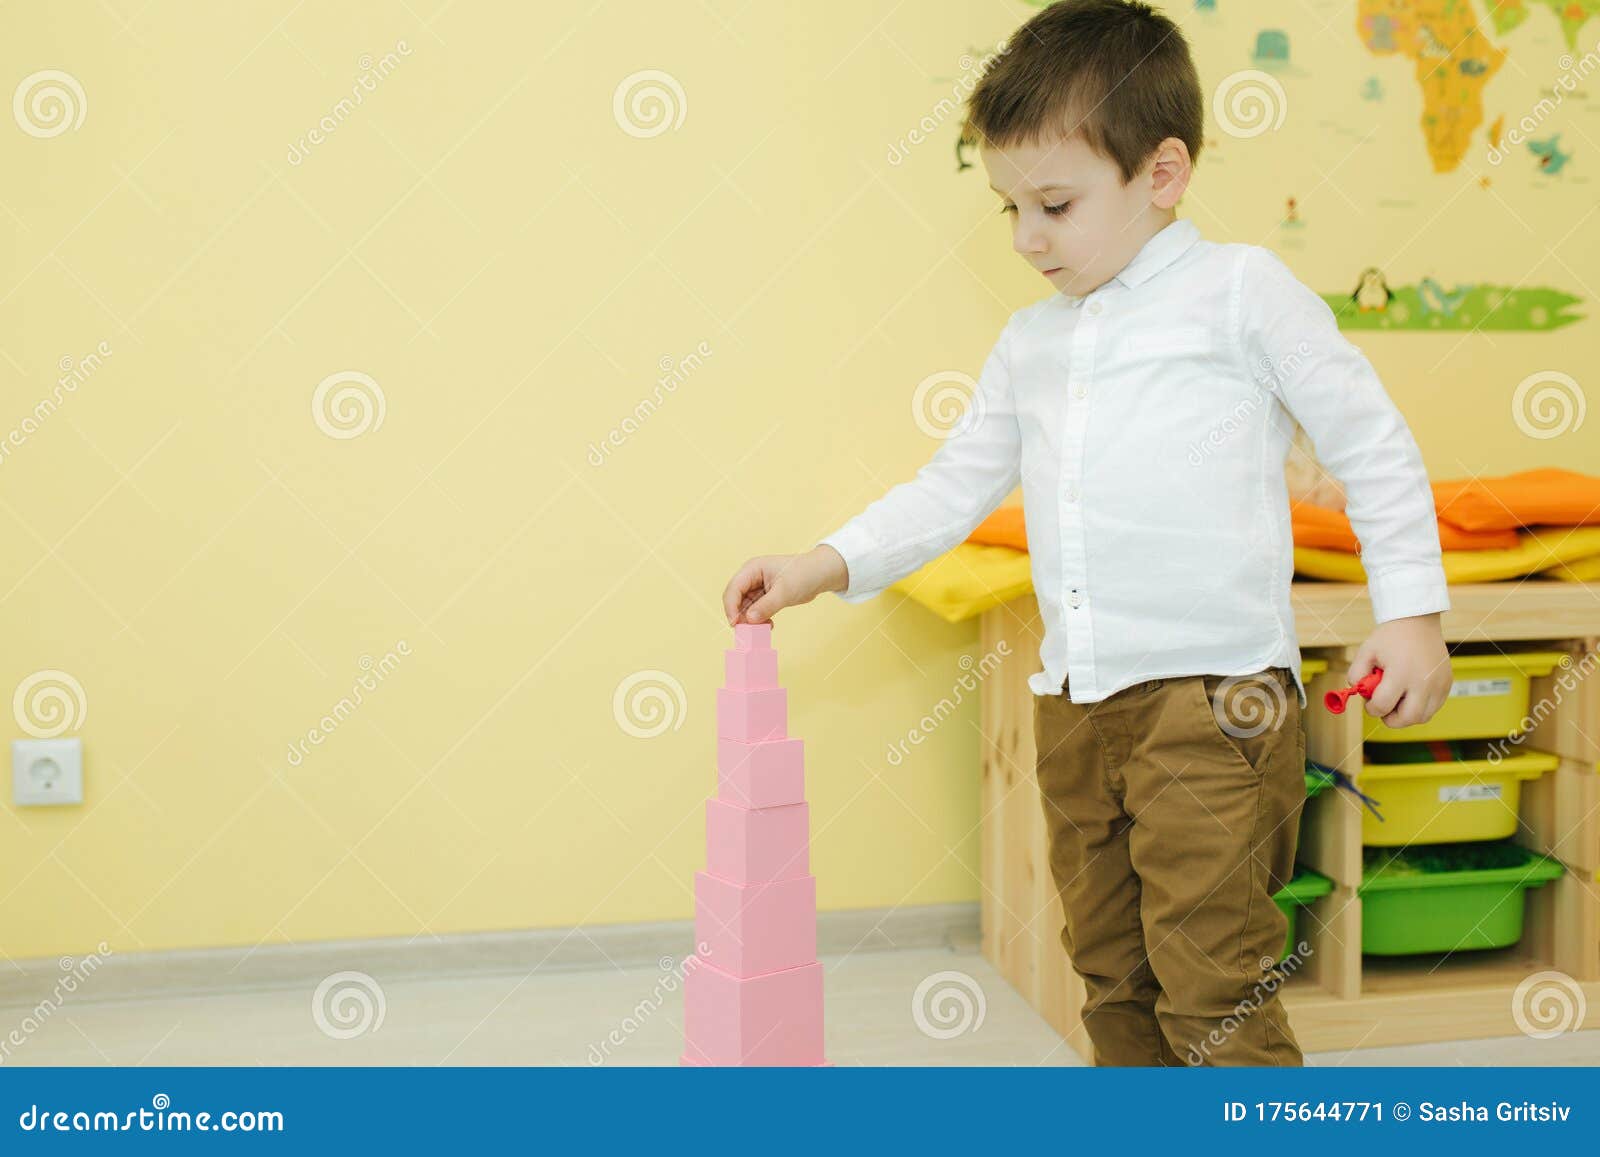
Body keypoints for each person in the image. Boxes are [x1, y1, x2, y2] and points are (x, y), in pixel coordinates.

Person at [720, 0, 1452, 1066]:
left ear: (1160, 174)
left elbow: (1373, 445)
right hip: (1077, 708)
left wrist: (1412, 613)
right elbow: (952, 484)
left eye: (1054, 204)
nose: (1025, 238)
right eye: (1008, 207)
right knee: (1112, 976)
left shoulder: (1240, 292)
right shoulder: (1031, 344)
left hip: (1216, 703)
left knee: (1214, 984)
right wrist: (824, 561)